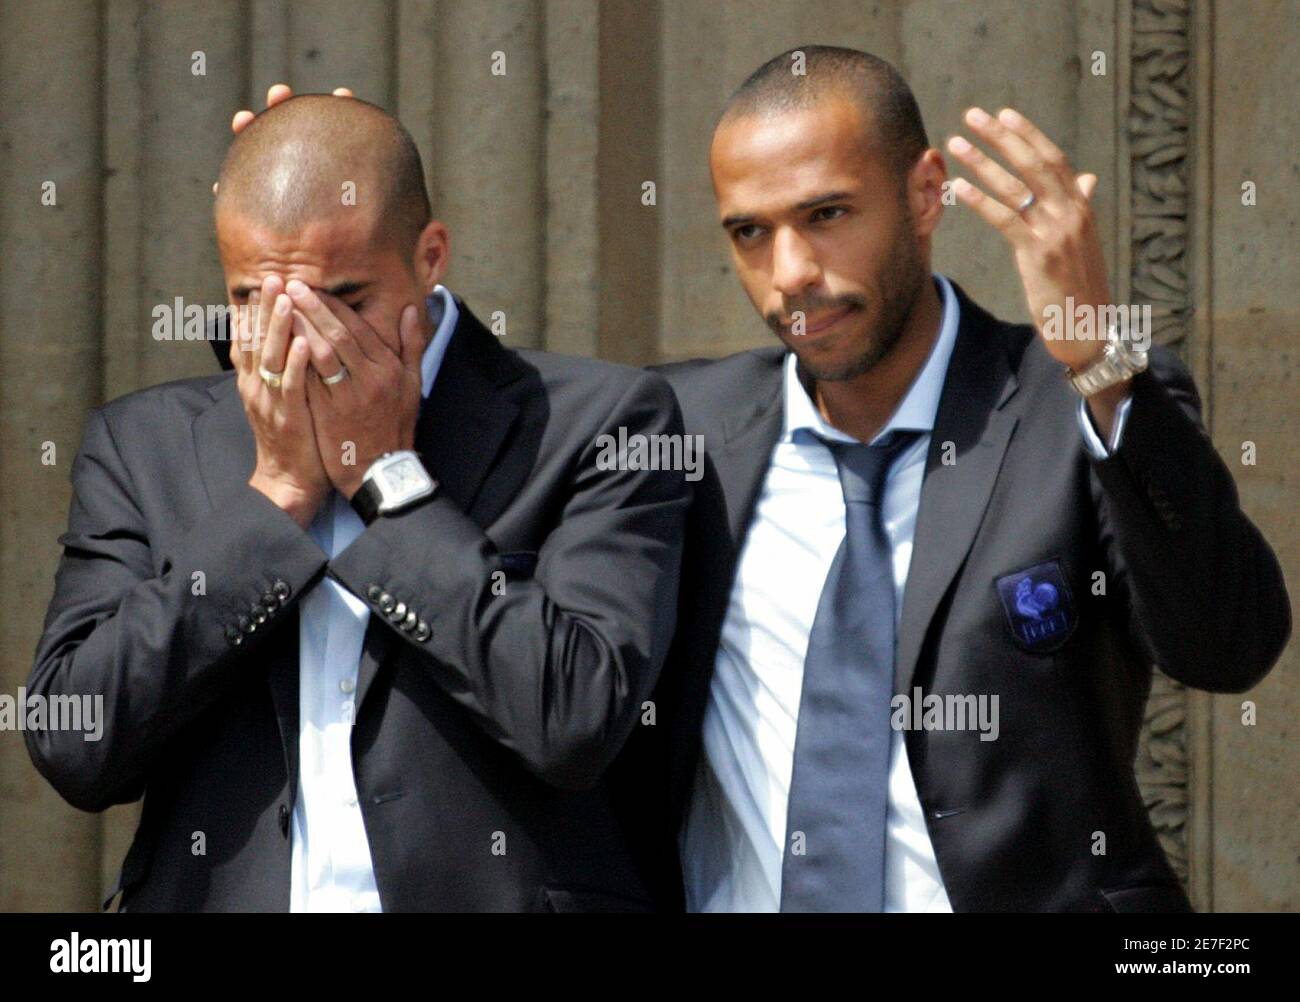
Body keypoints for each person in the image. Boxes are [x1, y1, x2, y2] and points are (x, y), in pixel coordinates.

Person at [653, 46, 1290, 912]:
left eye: (828, 213)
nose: (791, 272)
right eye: (750, 231)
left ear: (925, 193)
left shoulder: (1079, 404)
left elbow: (1229, 643)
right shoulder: (681, 431)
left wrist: (1101, 361)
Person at [27, 95, 689, 912]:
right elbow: (74, 741)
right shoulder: (146, 444)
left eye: (344, 300)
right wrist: (275, 500)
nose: (303, 344)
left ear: (431, 255)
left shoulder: (599, 423)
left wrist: (390, 479)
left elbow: (574, 721)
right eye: (252, 303)